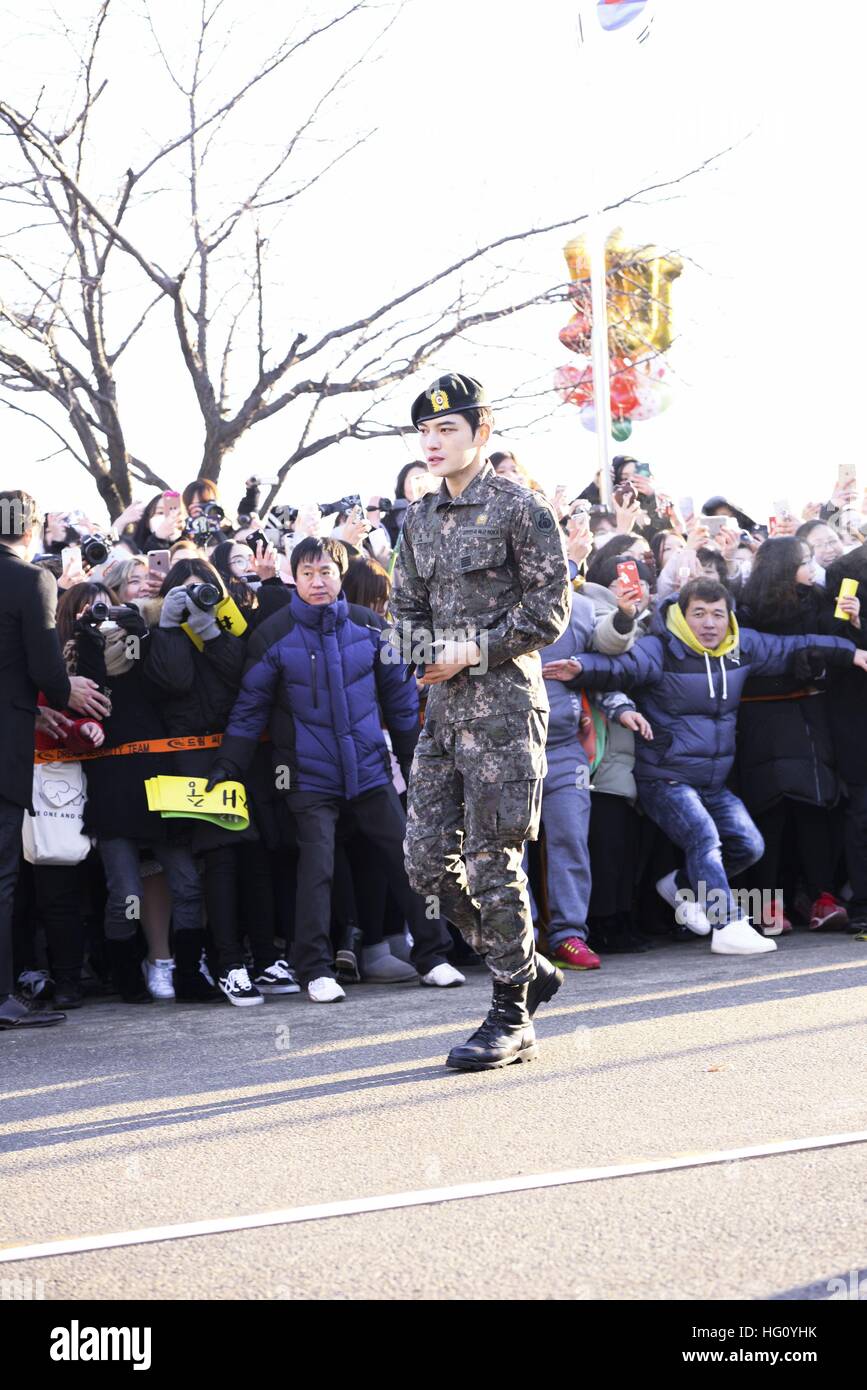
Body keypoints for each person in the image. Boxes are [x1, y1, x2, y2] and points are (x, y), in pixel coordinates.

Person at [391, 372, 572, 1070]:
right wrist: (422, 653)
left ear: (481, 432)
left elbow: (548, 611)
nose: (433, 443)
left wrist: (470, 650)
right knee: (425, 865)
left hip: (501, 713)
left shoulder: (521, 510)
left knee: (493, 863)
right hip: (440, 715)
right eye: (425, 432)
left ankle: (509, 1012)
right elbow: (399, 612)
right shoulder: (417, 518)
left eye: (447, 430)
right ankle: (524, 966)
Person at [544, 577, 867, 956]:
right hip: (664, 777)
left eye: (717, 614)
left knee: (748, 845)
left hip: (711, 782)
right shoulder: (660, 648)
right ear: (683, 614)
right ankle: (727, 923)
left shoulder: (740, 646)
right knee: (704, 839)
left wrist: (850, 652)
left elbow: (792, 645)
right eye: (698, 614)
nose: (709, 624)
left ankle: (681, 886)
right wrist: (579, 668)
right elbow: (622, 666)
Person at [207, 536, 461, 1002]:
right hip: (306, 776)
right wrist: (227, 765)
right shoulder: (274, 633)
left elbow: (402, 706)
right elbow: (249, 710)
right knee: (317, 866)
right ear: (293, 577)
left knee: (409, 859)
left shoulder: (371, 627)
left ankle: (434, 956)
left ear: (340, 574)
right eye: (306, 573)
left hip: (369, 769)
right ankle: (315, 969)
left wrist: (415, 764)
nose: (317, 581)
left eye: (325, 571)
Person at [0, 491, 110, 1030]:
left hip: (14, 727)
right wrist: (68, 693)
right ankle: (1, 998)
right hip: (5, 752)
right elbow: (45, 670)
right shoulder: (30, 580)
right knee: (3, 878)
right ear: (34, 528)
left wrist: (31, 711)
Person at [734, 537, 848, 933]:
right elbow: (746, 657)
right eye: (805, 560)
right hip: (760, 719)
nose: (813, 566)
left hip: (807, 716)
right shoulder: (743, 606)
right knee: (769, 811)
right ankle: (768, 905)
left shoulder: (817, 599)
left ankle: (822, 896)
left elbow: (833, 655)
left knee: (815, 806)